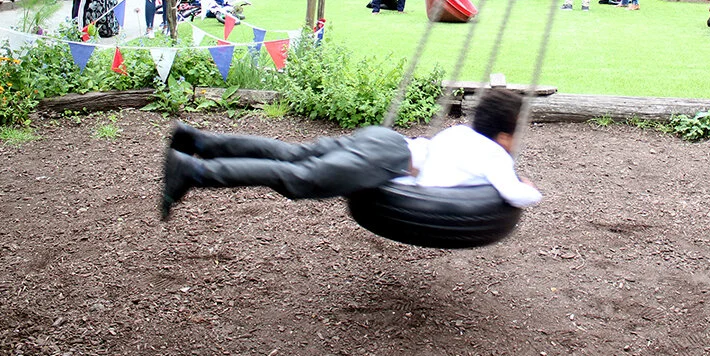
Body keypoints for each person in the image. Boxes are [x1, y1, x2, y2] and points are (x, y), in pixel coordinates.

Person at [159, 89, 541, 221]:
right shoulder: (496, 157)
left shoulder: (461, 132)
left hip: (386, 141)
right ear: (505, 135)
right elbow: (517, 195)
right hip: (386, 161)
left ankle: (196, 139)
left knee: (294, 155)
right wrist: (528, 185)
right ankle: (192, 170)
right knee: (298, 178)